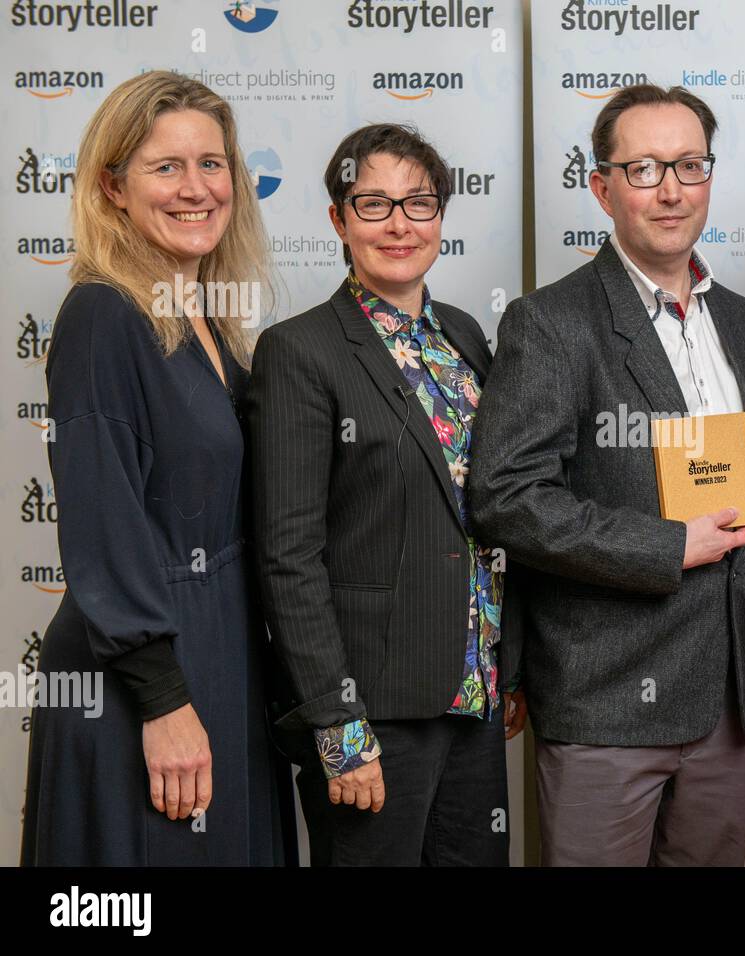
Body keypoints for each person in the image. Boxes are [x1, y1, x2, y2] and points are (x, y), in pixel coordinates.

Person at [468, 84, 745, 866]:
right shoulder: (551, 322)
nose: (671, 189)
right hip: (608, 700)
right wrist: (666, 546)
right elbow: (507, 497)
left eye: (688, 165)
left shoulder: (740, 321)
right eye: (643, 168)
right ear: (602, 187)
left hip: (733, 702)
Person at [21, 70, 291, 865]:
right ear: (112, 186)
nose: (196, 188)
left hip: (223, 649)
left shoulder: (202, 315)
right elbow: (105, 519)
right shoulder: (104, 314)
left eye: (212, 164)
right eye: (165, 167)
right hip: (144, 675)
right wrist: (164, 699)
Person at [246, 124, 523, 867]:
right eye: (373, 204)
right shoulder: (300, 351)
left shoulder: (463, 336)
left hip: (473, 693)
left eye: (419, 203)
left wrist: (509, 665)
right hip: (373, 713)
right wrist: (339, 728)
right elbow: (287, 555)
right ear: (338, 220)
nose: (400, 224)